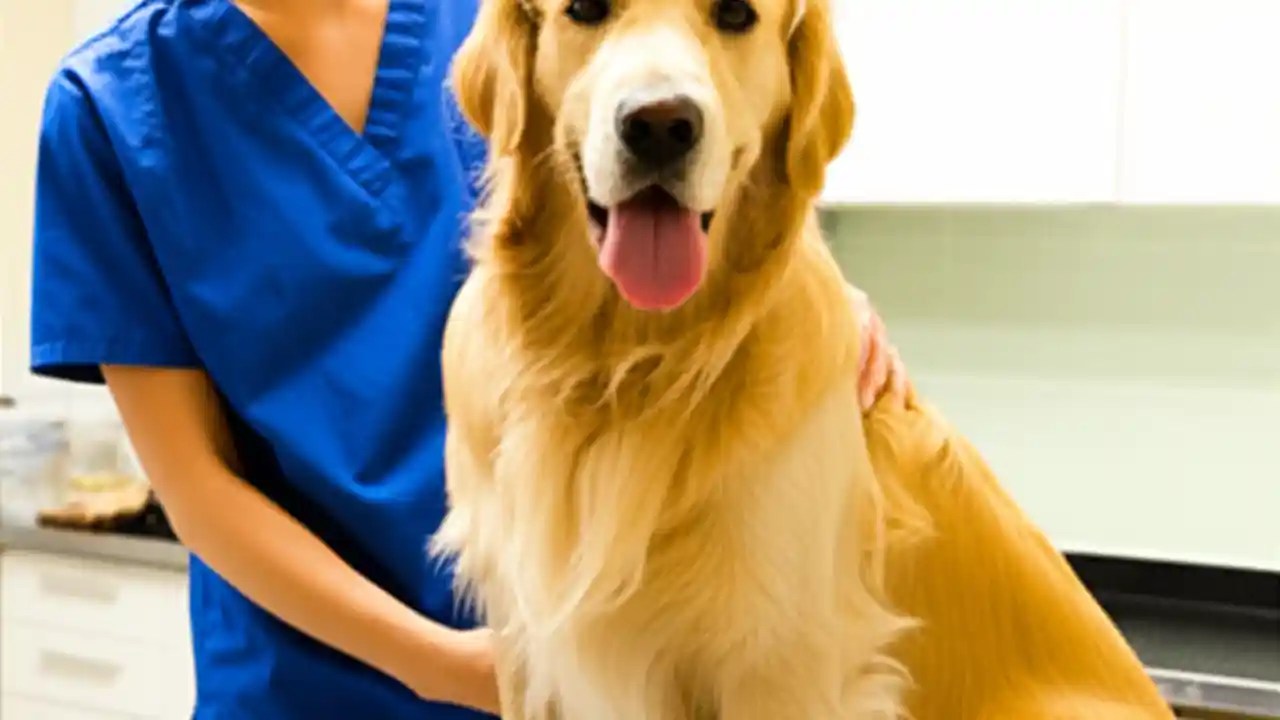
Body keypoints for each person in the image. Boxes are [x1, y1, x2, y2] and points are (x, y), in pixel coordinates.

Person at [29, 0, 907, 717]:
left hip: (597, 659)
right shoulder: (112, 103)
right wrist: (452, 668)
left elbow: (699, 183)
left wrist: (816, 301)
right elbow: (197, 487)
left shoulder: (504, 17)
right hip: (315, 689)